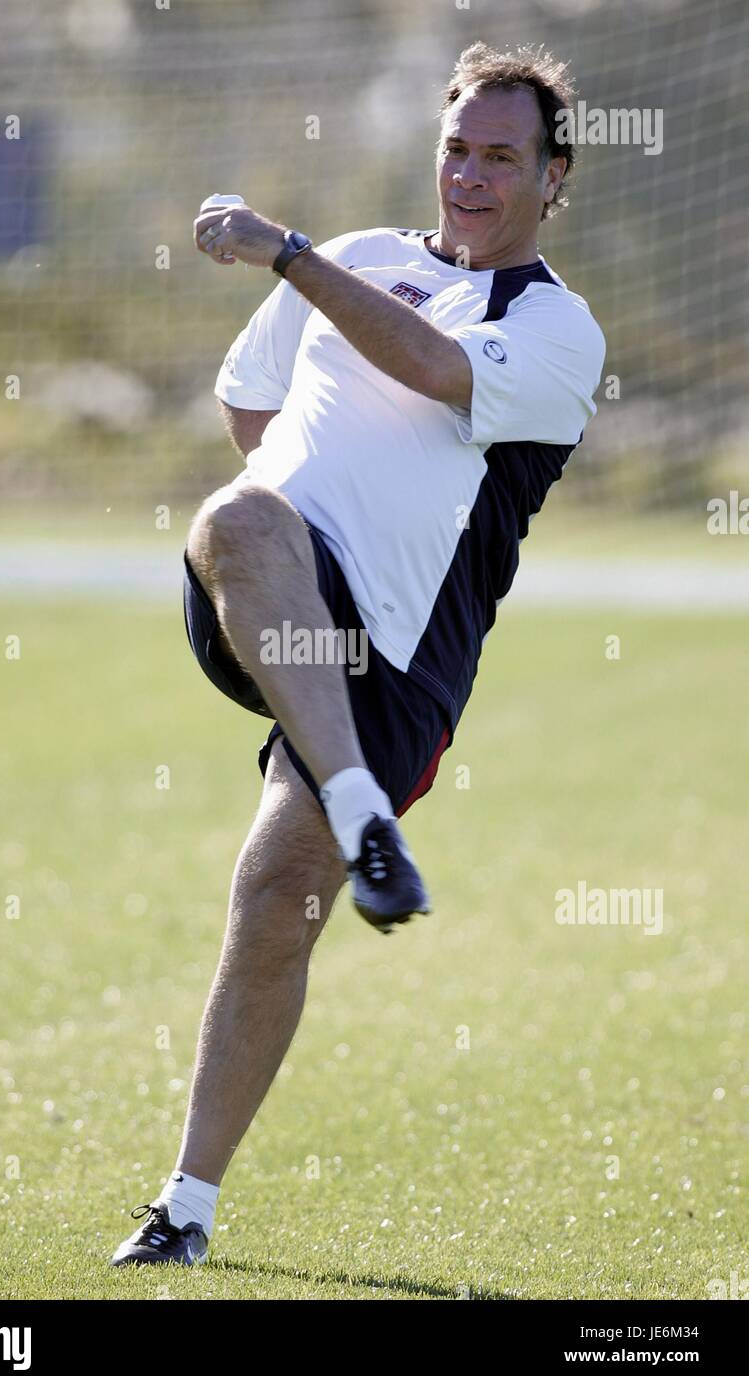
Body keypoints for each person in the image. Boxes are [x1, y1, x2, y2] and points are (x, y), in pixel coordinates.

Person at [111, 41, 605, 1268]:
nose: (471, 175)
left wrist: (288, 253)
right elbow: (249, 404)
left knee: (277, 904)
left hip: (400, 667)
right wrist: (304, 479)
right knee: (238, 511)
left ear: (552, 179)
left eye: (502, 157)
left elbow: (437, 369)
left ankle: (185, 1213)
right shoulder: (359, 259)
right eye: (456, 148)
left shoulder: (557, 330)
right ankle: (353, 800)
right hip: (276, 594)